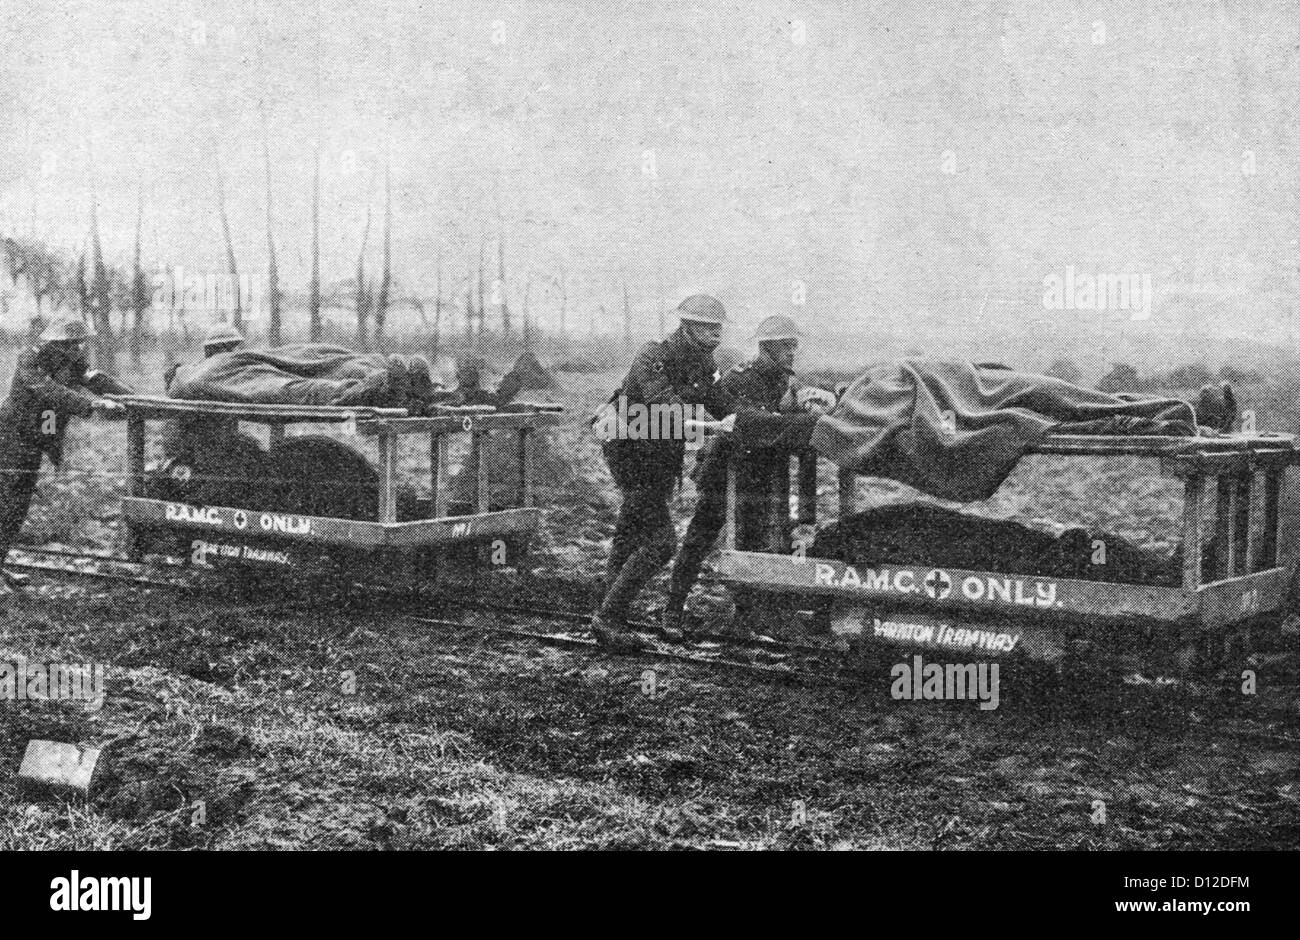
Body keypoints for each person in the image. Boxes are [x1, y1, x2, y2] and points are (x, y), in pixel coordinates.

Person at [662, 314, 826, 637]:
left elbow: (787, 421)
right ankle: (673, 608)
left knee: (757, 541)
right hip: (725, 470)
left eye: (793, 346)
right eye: (786, 347)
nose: (792, 352)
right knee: (700, 537)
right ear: (768, 348)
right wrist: (802, 423)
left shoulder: (784, 380)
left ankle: (746, 616)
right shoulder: (739, 379)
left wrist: (810, 406)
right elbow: (750, 423)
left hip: (761, 475)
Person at [591, 294, 738, 650]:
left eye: (719, 327)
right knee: (661, 542)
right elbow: (664, 407)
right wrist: (714, 426)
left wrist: (743, 416)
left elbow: (719, 399)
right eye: (708, 326)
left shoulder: (705, 362)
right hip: (630, 450)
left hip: (658, 456)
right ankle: (608, 618)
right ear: (687, 327)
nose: (717, 334)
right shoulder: (652, 356)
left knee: (628, 533)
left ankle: (611, 616)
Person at [0, 316, 131, 595]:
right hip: (12, 436)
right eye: (72, 345)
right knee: (9, 501)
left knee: (17, 505)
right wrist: (92, 405)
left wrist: (133, 397)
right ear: (57, 344)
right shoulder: (31, 358)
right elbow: (49, 392)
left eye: (80, 344)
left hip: (35, 439)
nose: (78, 350)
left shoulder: (72, 360)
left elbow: (94, 378)